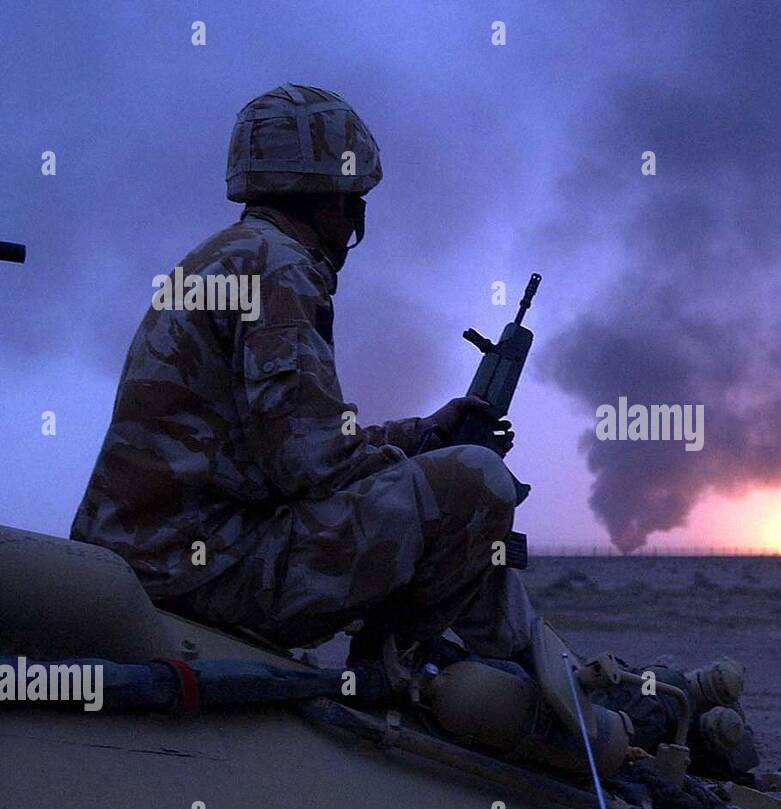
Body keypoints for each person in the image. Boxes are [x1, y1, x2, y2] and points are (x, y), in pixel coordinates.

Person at [71, 83, 535, 660]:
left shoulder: (228, 255)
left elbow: (283, 446)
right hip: (203, 570)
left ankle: (528, 672)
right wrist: (431, 463)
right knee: (475, 482)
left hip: (156, 558)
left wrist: (422, 433)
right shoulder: (281, 271)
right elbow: (310, 464)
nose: (355, 228)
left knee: (449, 473)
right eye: (356, 203)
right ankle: (408, 669)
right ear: (335, 200)